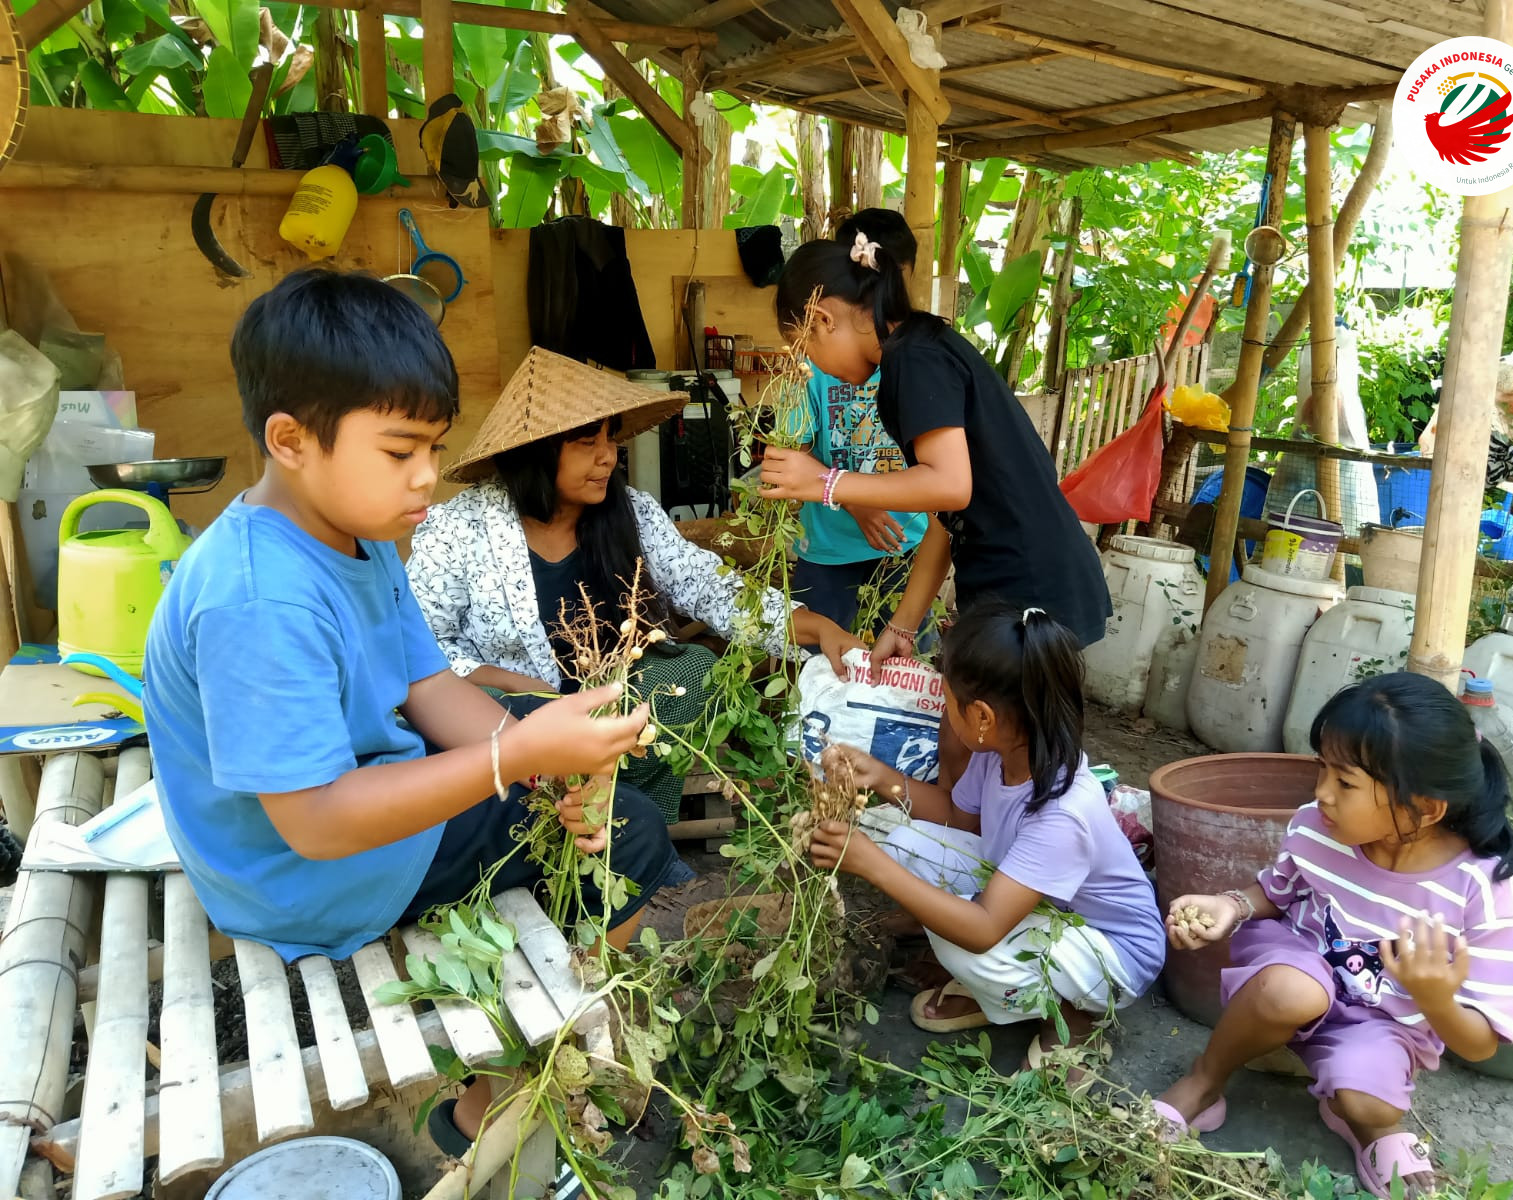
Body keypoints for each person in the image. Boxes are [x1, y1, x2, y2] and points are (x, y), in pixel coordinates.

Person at [143, 269, 673, 1157]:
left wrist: (540, 758)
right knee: (636, 834)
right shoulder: (258, 597)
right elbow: (314, 821)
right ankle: (508, 1091)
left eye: (434, 446)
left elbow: (426, 685)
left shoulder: (350, 529)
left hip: (353, 812)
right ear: (291, 439)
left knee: (591, 800)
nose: (427, 477)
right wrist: (514, 760)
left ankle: (530, 1056)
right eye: (399, 452)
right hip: (305, 876)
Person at [407, 347, 863, 829]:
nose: (608, 456)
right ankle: (552, 810)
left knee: (695, 672)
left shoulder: (631, 514)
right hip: (513, 717)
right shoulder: (458, 529)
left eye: (610, 438)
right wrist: (509, 683)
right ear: (537, 452)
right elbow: (419, 643)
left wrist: (815, 627)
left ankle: (614, 814)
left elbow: (709, 588)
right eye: (587, 442)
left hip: (615, 709)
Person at [1155, 673, 1513, 1198]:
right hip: (1295, 969)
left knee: (1373, 1102)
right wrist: (1230, 905)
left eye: (1345, 783)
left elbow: (1482, 1041)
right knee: (1294, 990)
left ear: (1424, 809)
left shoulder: (1480, 889)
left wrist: (1435, 999)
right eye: (1322, 768)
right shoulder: (1317, 828)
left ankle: (1359, 1118)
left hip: (1382, 1019)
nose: (1321, 793)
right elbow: (1275, 892)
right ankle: (1204, 1081)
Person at [759, 232, 1111, 783]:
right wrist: (904, 624)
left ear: (824, 318)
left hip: (1030, 587)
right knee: (969, 747)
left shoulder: (914, 359)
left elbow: (950, 486)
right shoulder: (922, 348)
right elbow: (948, 518)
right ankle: (966, 847)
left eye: (808, 350)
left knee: (1015, 759)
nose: (815, 367)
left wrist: (827, 482)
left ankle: (1011, 857)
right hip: (1027, 576)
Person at [807, 601, 1165, 1072]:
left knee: (959, 942)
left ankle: (1079, 1019)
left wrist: (870, 863)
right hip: (1042, 903)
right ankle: (1005, 994)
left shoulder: (1062, 811)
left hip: (1113, 953)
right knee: (898, 839)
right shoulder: (1005, 751)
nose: (944, 710)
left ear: (981, 717)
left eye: (949, 700)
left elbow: (982, 930)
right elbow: (956, 817)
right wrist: (879, 776)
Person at [780, 210, 929, 640]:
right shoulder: (814, 356)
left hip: (905, 543)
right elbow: (795, 450)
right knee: (823, 667)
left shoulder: (918, 361)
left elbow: (945, 474)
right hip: (828, 550)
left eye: (901, 285)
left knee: (905, 671)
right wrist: (853, 501)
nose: (891, 301)